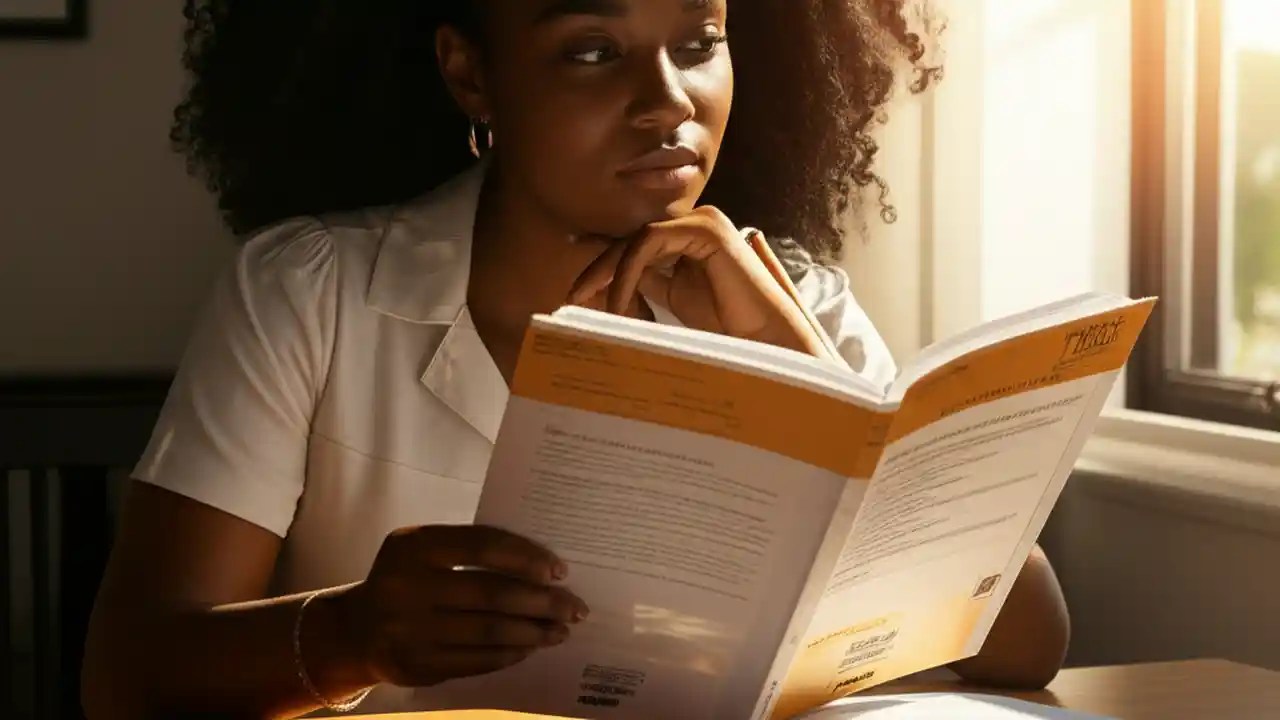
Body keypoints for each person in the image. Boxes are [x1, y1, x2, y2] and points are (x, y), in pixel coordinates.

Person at [82, 1, 1070, 718]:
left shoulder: (794, 299)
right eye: (592, 51)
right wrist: (353, 635)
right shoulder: (309, 292)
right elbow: (127, 677)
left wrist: (792, 362)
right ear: (470, 73)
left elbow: (1025, 641)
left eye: (697, 42)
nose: (665, 101)